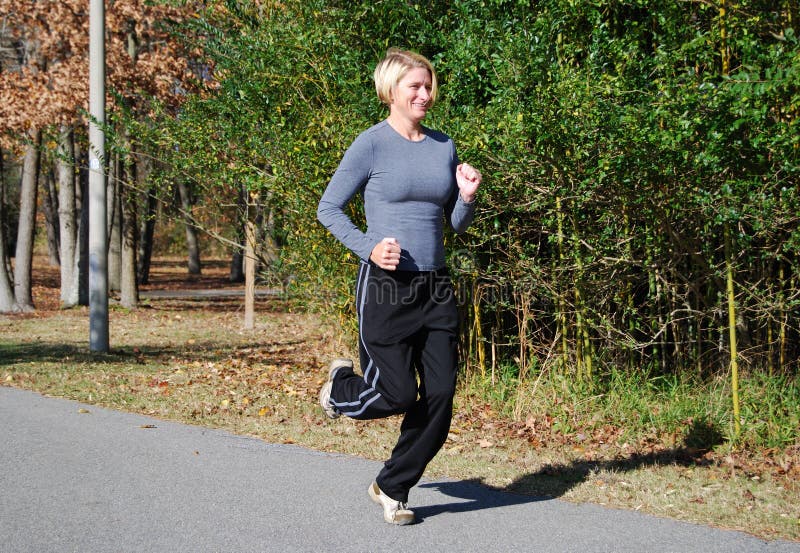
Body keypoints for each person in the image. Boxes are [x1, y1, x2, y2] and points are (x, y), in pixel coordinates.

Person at [316, 47, 482, 525]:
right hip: (385, 286)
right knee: (396, 394)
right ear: (391, 90)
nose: (425, 94)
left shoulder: (443, 146)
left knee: (441, 394)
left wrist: (467, 197)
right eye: (416, 86)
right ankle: (339, 389)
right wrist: (369, 247)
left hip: (436, 287)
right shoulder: (369, 144)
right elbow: (329, 208)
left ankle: (393, 486)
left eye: (429, 86)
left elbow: (455, 224)